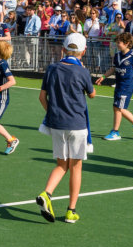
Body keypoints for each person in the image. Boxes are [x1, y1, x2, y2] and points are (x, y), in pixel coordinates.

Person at [35, 33, 96, 224]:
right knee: (76, 167)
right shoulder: (83, 72)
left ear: (63, 49)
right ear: (83, 51)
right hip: (77, 125)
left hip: (57, 124)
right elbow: (92, 94)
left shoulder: (52, 68)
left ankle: (47, 193)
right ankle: (71, 210)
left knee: (61, 165)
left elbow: (42, 97)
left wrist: (52, 113)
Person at [95, 32, 133, 140]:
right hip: (119, 85)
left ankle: (117, 131)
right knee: (116, 107)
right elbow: (113, 69)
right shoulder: (117, 55)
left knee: (118, 108)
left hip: (127, 86)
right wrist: (103, 77)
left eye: (119, 42)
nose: (117, 44)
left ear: (127, 43)